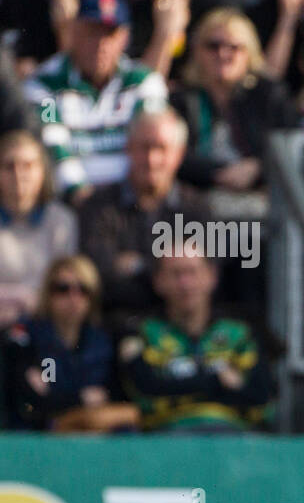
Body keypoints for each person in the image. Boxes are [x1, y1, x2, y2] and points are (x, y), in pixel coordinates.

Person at [23, 0, 170, 199]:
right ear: (74, 31)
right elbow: (52, 145)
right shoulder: (43, 85)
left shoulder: (144, 84)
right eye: (93, 31)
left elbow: (151, 142)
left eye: (110, 33)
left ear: (125, 38)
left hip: (130, 201)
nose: (101, 43)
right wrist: (80, 194)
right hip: (70, 202)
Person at [117, 242, 271, 432]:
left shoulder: (241, 334)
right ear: (158, 281)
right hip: (165, 441)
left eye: (192, 272)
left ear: (212, 276)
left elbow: (260, 399)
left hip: (234, 440)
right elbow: (145, 394)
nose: (185, 283)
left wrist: (176, 386)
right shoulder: (141, 334)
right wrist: (218, 381)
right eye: (176, 274)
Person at [77, 107, 206, 331]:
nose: (151, 159)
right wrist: (166, 269)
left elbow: (204, 277)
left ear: (179, 154)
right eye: (144, 147)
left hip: (182, 331)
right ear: (128, 149)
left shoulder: (197, 209)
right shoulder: (98, 206)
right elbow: (100, 274)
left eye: (161, 148)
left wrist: (137, 265)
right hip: (116, 327)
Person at [170, 8, 298, 209]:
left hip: (261, 198)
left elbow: (292, 145)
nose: (223, 54)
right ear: (197, 51)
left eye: (234, 47)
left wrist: (257, 168)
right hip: (198, 198)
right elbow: (173, 154)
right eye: (213, 46)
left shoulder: (268, 95)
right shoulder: (181, 98)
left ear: (249, 53)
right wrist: (217, 174)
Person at [3, 255, 137, 431]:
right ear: (48, 294)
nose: (74, 297)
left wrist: (60, 399)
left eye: (83, 289)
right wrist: (82, 398)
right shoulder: (25, 337)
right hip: (39, 434)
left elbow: (115, 396)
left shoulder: (104, 339)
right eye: (63, 289)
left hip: (95, 431)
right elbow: (32, 402)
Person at [0, 130, 77, 328]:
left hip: (48, 325)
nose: (19, 175)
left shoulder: (62, 220)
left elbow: (63, 284)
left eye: (28, 165)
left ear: (43, 171)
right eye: (9, 166)